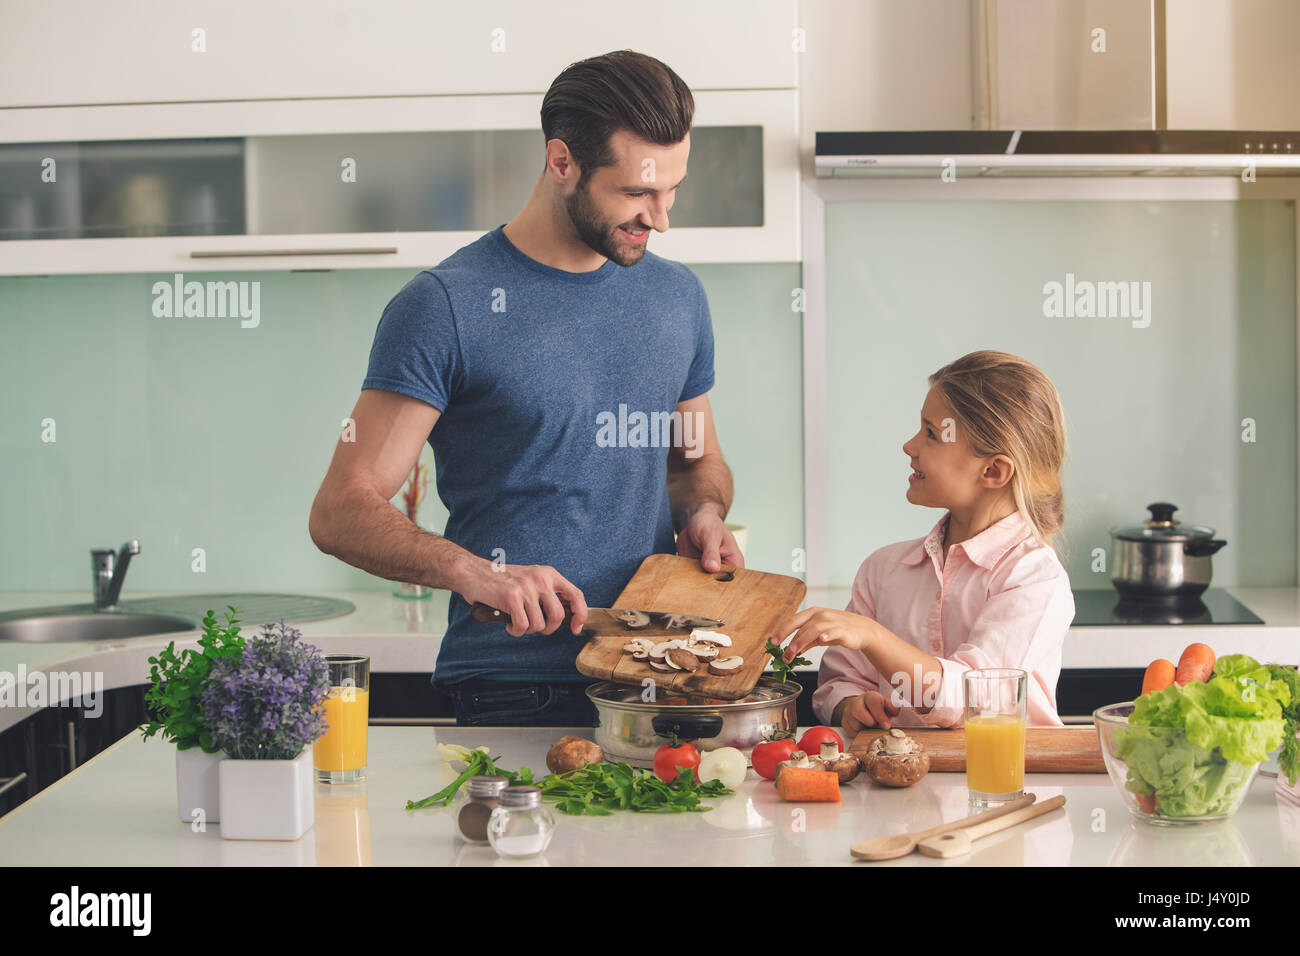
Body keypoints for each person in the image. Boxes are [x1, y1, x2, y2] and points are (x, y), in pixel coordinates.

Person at [309, 51, 742, 727]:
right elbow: (340, 510)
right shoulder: (446, 305)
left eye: (672, 190)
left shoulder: (677, 297)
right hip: (514, 687)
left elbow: (694, 463)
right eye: (635, 193)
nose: (660, 219)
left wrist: (704, 515)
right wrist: (477, 573)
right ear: (562, 162)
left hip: (657, 677)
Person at [775, 350, 1074, 735]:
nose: (909, 446)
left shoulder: (1035, 578)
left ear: (994, 470)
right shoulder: (883, 570)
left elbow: (973, 699)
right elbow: (837, 683)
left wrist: (873, 637)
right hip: (894, 793)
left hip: (1010, 791)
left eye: (931, 434)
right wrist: (850, 705)